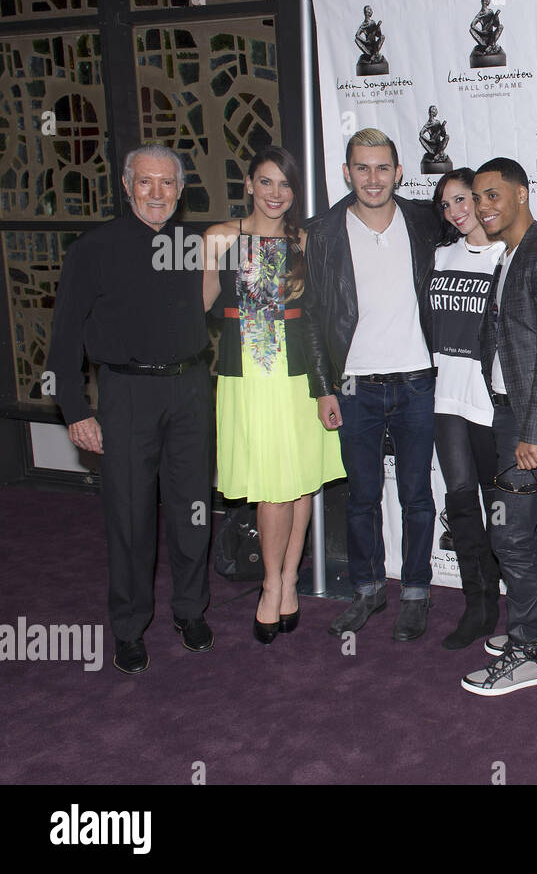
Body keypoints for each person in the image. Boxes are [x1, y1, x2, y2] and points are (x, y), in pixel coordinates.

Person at [48, 143, 214, 674]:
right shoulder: (92, 249)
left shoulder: (195, 244)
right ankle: (128, 627)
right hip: (125, 396)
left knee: (193, 512)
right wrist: (75, 409)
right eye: (146, 182)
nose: (157, 193)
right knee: (130, 517)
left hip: (190, 391)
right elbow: (65, 336)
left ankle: (190, 611)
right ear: (126, 186)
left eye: (167, 183)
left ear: (180, 190)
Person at [301, 128, 442, 642]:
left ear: (399, 172)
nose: (373, 178)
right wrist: (323, 387)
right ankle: (366, 588)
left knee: (416, 496)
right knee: (361, 497)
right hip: (355, 387)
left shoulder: (425, 221)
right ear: (346, 172)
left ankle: (416, 592)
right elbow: (312, 318)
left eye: (383, 167)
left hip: (416, 382)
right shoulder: (322, 234)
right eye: (362, 168)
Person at [202, 146, 345, 644]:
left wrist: (326, 386)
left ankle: (288, 580)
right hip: (248, 378)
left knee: (302, 480)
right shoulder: (221, 238)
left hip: (298, 376)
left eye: (285, 185)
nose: (276, 194)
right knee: (271, 487)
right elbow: (193, 309)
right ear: (248, 184)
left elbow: (318, 318)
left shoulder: (306, 240)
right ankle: (269, 583)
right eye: (266, 182)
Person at [461, 157, 537, 696]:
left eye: (493, 196)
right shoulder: (511, 253)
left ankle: (529, 648)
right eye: (477, 198)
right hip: (516, 411)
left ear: (522, 194)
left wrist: (532, 432)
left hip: (531, 418)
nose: (483, 207)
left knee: (508, 532)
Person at [427, 168, 506, 649]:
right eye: (447, 205)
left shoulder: (504, 255)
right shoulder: (439, 256)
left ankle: (507, 599)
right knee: (460, 503)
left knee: (498, 507)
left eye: (463, 200)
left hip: (489, 401)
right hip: (445, 398)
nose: (456, 211)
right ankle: (476, 603)